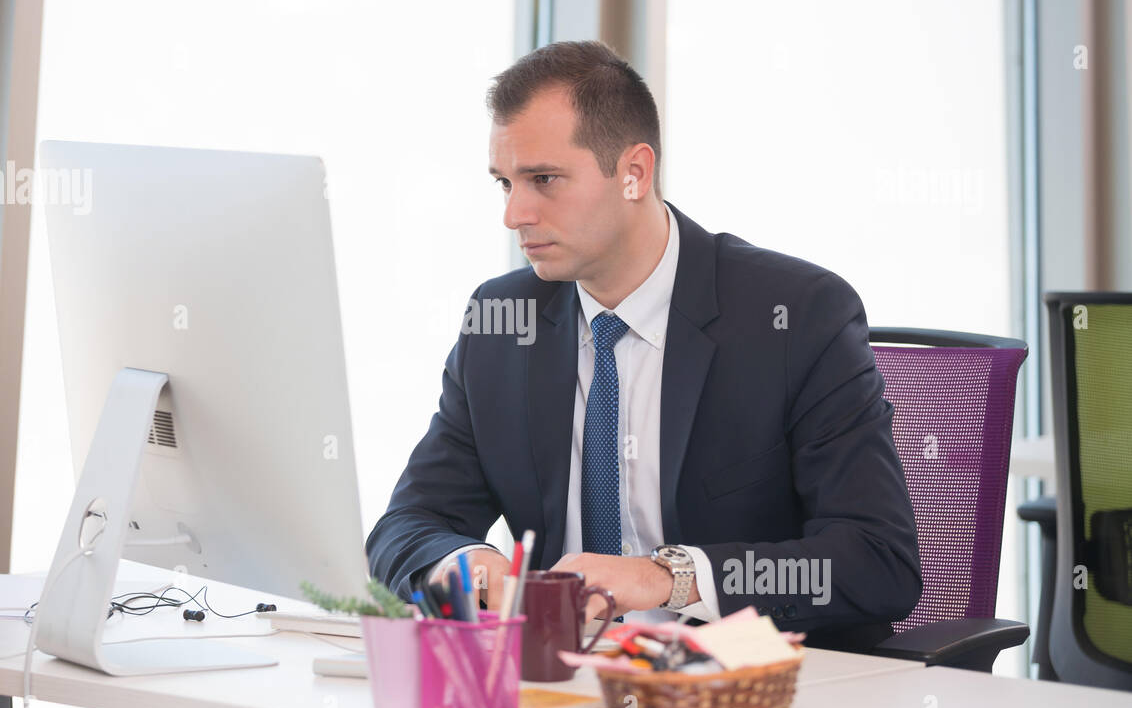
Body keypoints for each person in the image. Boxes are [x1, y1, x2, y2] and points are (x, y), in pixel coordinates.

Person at [365, 40, 921, 650]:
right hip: (565, 685)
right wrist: (462, 562)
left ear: (634, 173)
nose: (515, 214)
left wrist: (666, 579)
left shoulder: (796, 315)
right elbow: (408, 525)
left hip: (747, 686)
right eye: (504, 183)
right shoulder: (503, 321)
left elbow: (877, 561)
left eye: (544, 179)